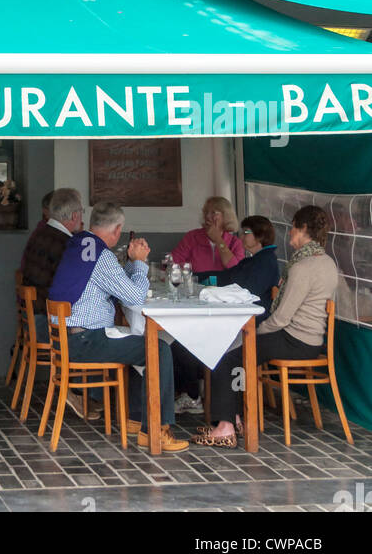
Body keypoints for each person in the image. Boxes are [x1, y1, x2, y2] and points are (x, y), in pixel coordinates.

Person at [48, 200, 188, 452]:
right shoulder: (102, 257)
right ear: (116, 230)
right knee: (158, 350)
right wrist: (139, 263)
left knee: (137, 340)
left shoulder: (78, 244)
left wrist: (132, 266)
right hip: (85, 340)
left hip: (67, 337)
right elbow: (133, 297)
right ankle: (157, 430)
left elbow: (119, 289)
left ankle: (136, 419)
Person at [195, 205, 338, 447]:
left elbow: (281, 318)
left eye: (293, 227)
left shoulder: (302, 267)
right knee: (237, 351)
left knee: (227, 354)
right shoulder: (326, 262)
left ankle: (226, 426)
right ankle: (234, 417)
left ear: (303, 229)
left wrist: (253, 333)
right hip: (311, 341)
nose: (290, 233)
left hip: (294, 340)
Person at [172, 215, 280, 412]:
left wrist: (211, 285)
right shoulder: (254, 260)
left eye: (246, 233)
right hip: (234, 317)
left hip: (246, 323)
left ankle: (196, 395)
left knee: (184, 343)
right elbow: (228, 276)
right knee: (182, 342)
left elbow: (242, 287)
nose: (241, 237)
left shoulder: (265, 262)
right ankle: (196, 391)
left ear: (259, 236)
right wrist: (196, 278)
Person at [20, 188, 82, 339]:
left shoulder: (40, 234)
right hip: (48, 323)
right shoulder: (67, 245)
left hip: (33, 318)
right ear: (75, 216)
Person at [171, 196, 243, 275]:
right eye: (206, 212)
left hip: (225, 287)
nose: (208, 216)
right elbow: (172, 262)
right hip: (197, 285)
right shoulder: (192, 237)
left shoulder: (235, 243)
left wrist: (218, 240)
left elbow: (237, 270)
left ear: (226, 216)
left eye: (213, 213)